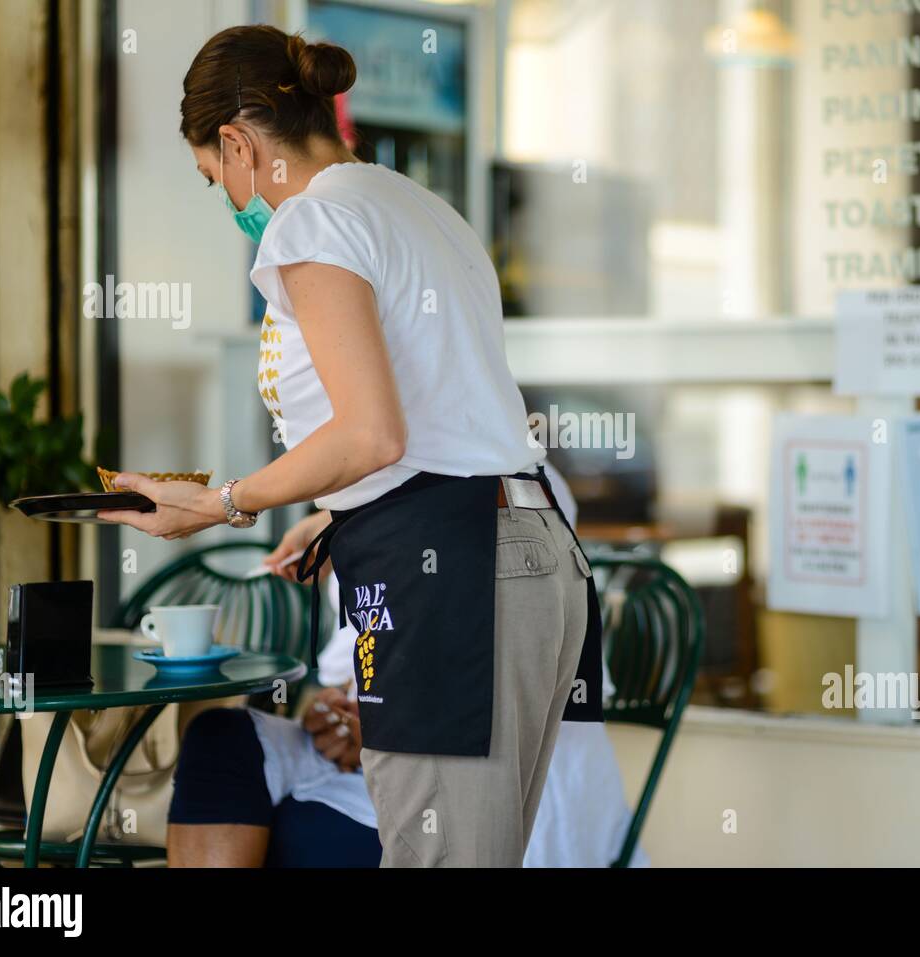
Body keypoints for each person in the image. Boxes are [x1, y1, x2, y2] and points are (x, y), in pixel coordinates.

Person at [100, 25, 603, 867]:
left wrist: (226, 502)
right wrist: (332, 512)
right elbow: (445, 415)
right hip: (528, 552)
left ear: (237, 142)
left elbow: (372, 431)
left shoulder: (311, 223)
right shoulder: (420, 207)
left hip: (448, 571)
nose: (227, 201)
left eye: (212, 176)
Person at [167, 466, 649, 868]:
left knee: (311, 829)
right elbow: (353, 680)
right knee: (219, 738)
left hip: (487, 757)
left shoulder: (501, 499)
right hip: (379, 753)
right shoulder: (357, 519)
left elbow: (494, 680)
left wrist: (223, 502)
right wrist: (336, 715)